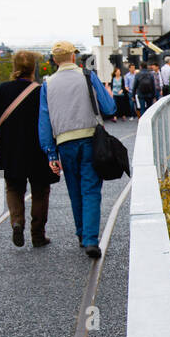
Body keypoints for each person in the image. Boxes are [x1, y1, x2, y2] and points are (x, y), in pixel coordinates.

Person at [38, 42, 115, 259]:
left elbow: (44, 121)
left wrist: (51, 154)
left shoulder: (48, 84)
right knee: (90, 188)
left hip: (64, 143)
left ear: (54, 60)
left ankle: (82, 233)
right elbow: (109, 108)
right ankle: (91, 239)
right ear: (74, 57)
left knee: (74, 188)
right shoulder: (87, 76)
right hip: (90, 139)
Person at [0, 49, 57, 248]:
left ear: (15, 67)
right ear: (33, 68)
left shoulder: (1, 90)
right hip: (37, 149)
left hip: (8, 148)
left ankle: (17, 222)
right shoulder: (41, 91)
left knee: (14, 188)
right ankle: (38, 235)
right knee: (41, 190)